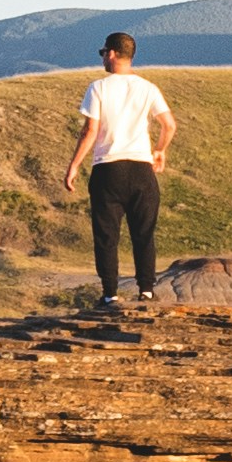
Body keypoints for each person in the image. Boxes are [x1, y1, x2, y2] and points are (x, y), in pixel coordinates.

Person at [64, 29, 174, 310]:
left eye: (103, 53)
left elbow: (90, 130)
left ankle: (110, 293)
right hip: (141, 169)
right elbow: (169, 125)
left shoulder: (98, 87)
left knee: (107, 234)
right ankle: (146, 291)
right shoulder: (148, 88)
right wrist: (159, 151)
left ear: (112, 53)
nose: (103, 58)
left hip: (108, 169)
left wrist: (74, 165)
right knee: (143, 233)